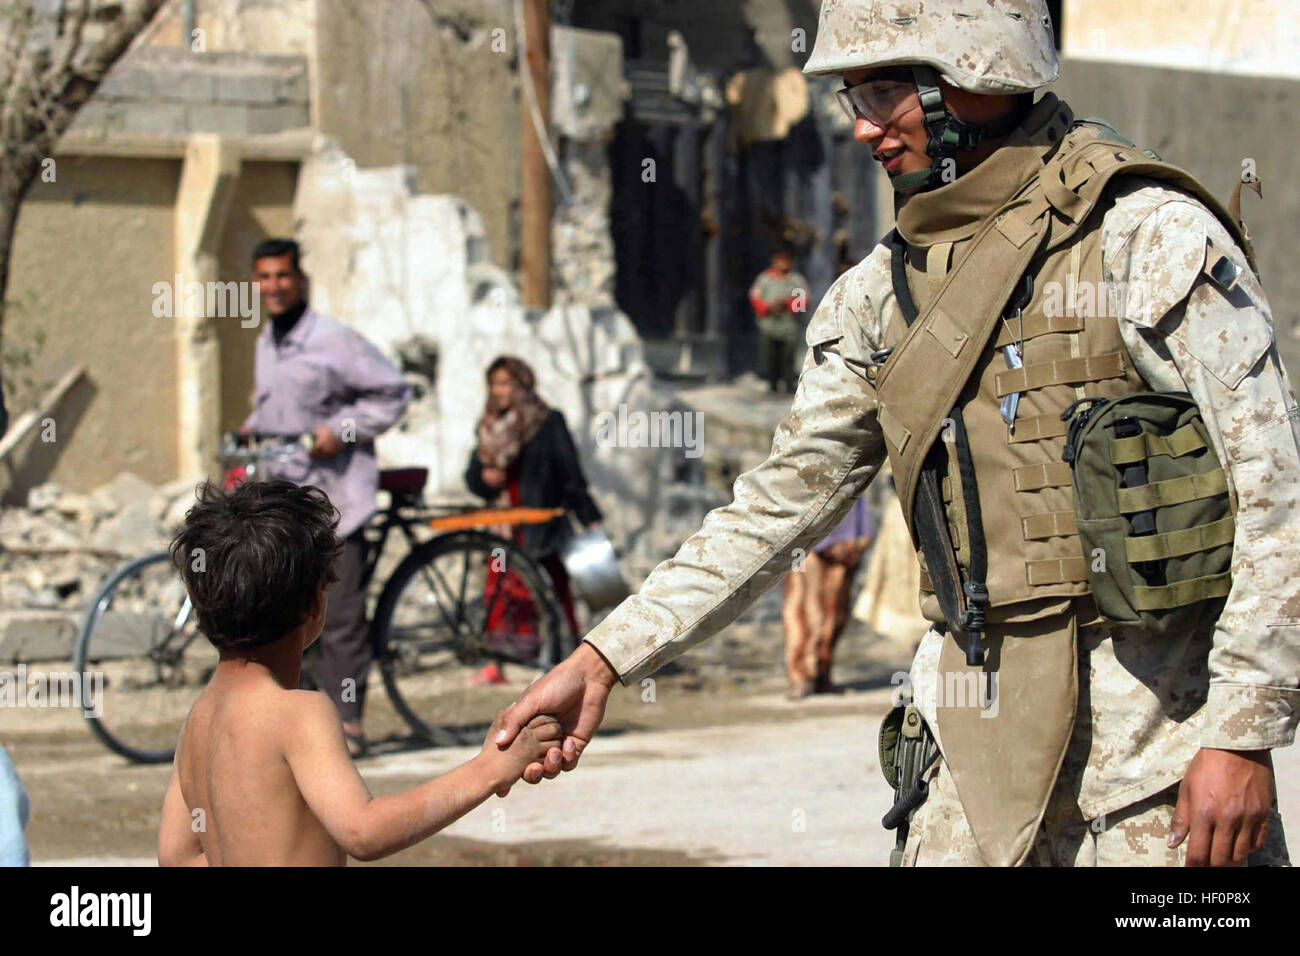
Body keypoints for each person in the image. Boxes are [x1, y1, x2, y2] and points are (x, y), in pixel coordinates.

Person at [495, 0, 1298, 868]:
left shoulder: (1147, 235)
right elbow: (775, 508)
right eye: (853, 98)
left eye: (886, 92)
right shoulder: (880, 294)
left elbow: (1274, 494)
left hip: (1153, 768)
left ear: (978, 73)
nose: (866, 129)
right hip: (968, 762)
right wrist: (609, 654)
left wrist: (1243, 732)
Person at [158, 479, 562, 866]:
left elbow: (176, 856)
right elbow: (364, 832)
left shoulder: (197, 722)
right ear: (316, 603)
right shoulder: (298, 713)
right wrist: (490, 768)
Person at [242, 238, 410, 757]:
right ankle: (299, 729)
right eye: (264, 276)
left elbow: (393, 392)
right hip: (285, 504)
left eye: (282, 276)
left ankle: (348, 728)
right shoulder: (267, 342)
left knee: (338, 618)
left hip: (337, 502)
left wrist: (341, 429)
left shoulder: (334, 340)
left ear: (300, 279)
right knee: (290, 616)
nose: (274, 286)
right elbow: (276, 409)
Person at [464, 356, 603, 682]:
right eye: (495, 384)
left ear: (523, 385)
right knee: (498, 593)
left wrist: (588, 515)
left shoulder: (547, 422)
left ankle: (566, 661)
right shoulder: (488, 426)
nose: (500, 391)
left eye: (507, 383)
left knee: (555, 594)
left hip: (542, 526)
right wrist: (485, 478)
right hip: (502, 530)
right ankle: (498, 662)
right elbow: (472, 477)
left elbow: (570, 474)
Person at [782, 495, 876, 698]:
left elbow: (859, 501)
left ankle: (822, 675)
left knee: (834, 616)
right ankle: (800, 676)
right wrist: (823, 543)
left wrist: (861, 539)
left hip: (845, 549)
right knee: (803, 613)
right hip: (806, 548)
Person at [748, 244, 809, 393]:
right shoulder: (765, 279)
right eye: (780, 260)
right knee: (770, 357)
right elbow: (755, 298)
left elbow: (802, 303)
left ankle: (788, 383)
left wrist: (787, 304)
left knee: (788, 357)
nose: (783, 263)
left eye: (786, 260)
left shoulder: (796, 280)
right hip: (769, 325)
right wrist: (769, 307)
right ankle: (772, 383)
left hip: (789, 327)